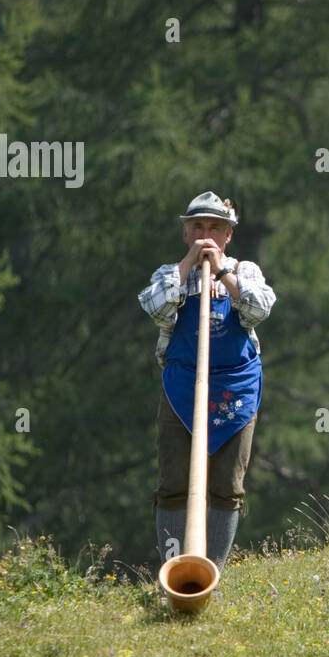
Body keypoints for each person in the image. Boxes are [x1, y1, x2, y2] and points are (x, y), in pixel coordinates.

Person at [138, 191, 276, 574]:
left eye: (215, 227)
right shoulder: (170, 274)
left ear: (228, 235)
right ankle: (173, 569)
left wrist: (223, 273)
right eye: (197, 226)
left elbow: (260, 308)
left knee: (227, 487)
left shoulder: (244, 272)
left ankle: (210, 572)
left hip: (235, 391)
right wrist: (188, 267)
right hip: (181, 389)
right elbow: (154, 306)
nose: (205, 236)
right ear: (184, 233)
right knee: (172, 483)